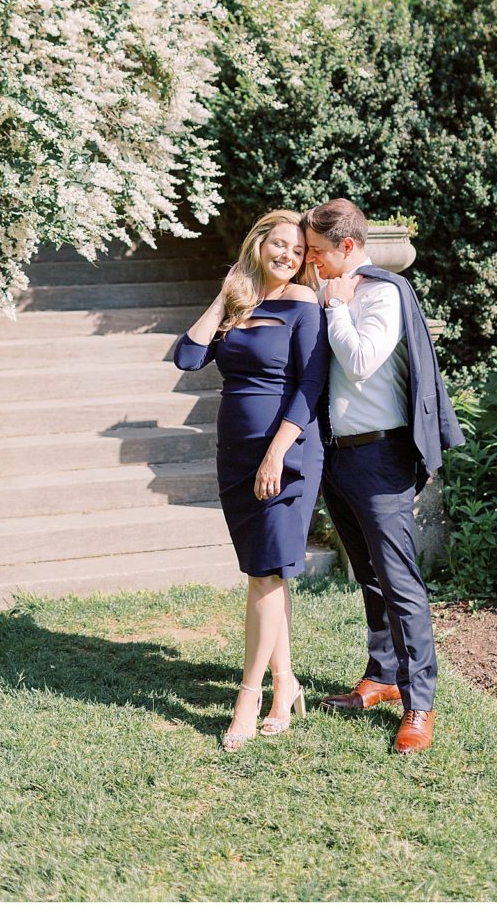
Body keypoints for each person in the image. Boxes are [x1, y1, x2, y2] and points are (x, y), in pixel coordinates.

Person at [302, 199, 464, 755]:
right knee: (369, 576)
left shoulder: (383, 293)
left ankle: (420, 703)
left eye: (319, 252)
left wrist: (337, 308)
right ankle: (383, 676)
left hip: (382, 456)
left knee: (400, 583)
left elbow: (362, 359)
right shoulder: (330, 290)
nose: (313, 261)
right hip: (338, 454)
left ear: (347, 247)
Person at [174, 210, 328, 751]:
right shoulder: (241, 305)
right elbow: (189, 357)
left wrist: (275, 455)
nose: (288, 255)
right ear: (258, 244)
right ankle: (286, 684)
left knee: (266, 574)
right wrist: (226, 295)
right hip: (235, 452)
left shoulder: (305, 305)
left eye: (298, 250)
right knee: (265, 573)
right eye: (279, 244)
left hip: (284, 453)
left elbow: (311, 386)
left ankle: (250, 695)